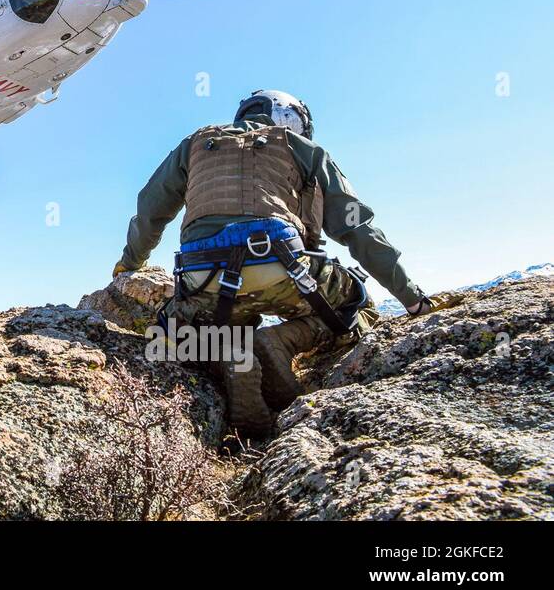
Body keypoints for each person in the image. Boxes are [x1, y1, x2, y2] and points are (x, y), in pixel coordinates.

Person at [113, 89, 437, 436]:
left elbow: (150, 211)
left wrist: (130, 265)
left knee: (175, 333)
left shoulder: (194, 144)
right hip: (285, 270)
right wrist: (413, 300)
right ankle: (281, 340)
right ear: (291, 118)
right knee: (355, 301)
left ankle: (228, 355)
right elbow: (357, 227)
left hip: (204, 280)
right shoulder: (303, 149)